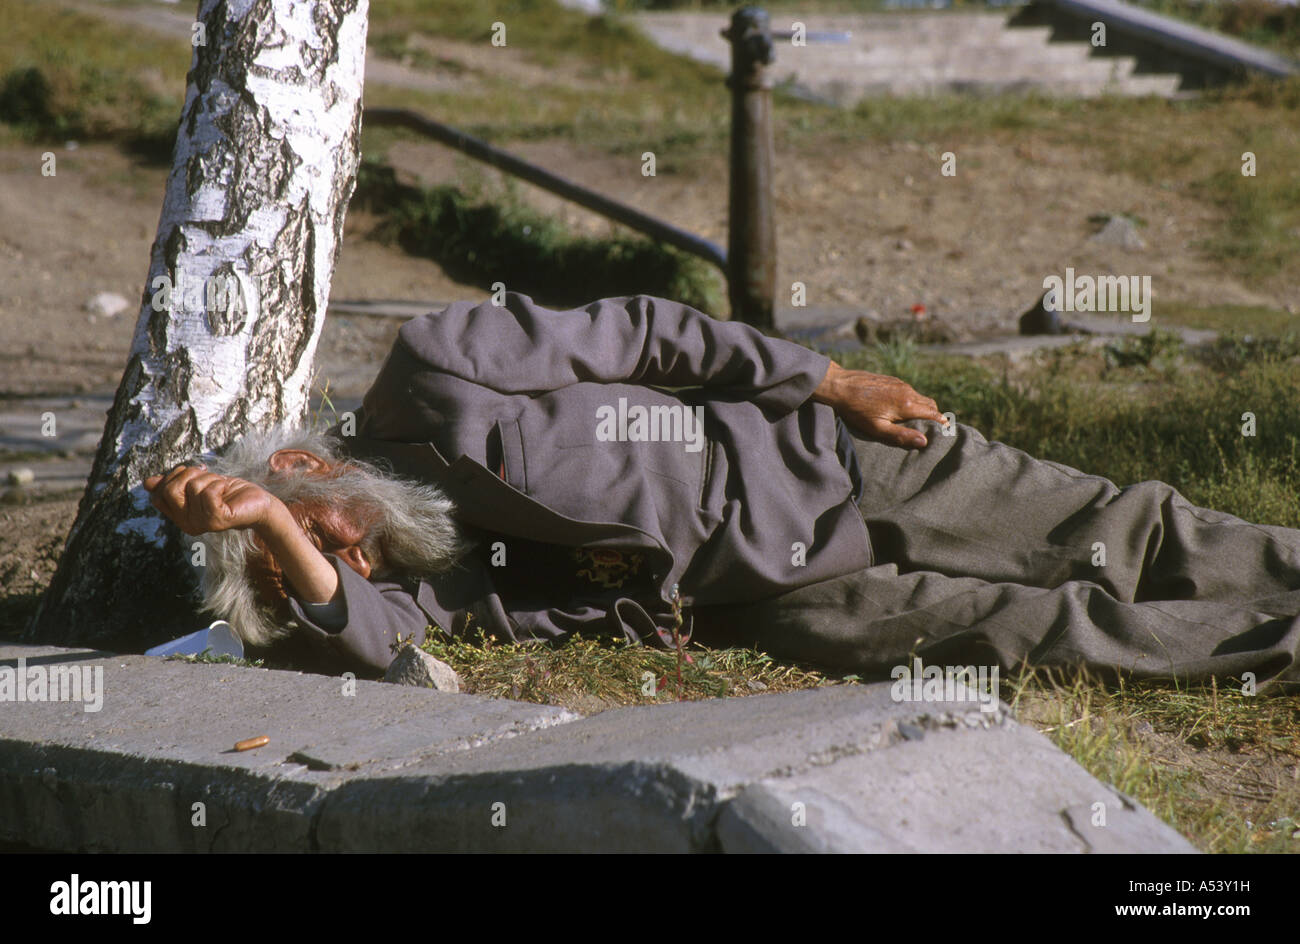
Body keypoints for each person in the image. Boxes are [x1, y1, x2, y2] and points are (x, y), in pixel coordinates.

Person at [144, 293, 1300, 692]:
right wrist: (272, 536)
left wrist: (827, 377)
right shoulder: (421, 575)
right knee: (1035, 637)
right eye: (315, 560)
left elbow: (654, 333)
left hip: (817, 459)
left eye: (318, 528)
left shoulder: (438, 369)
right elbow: (364, 639)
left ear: (305, 462)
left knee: (1116, 532)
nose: (347, 560)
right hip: (764, 594)